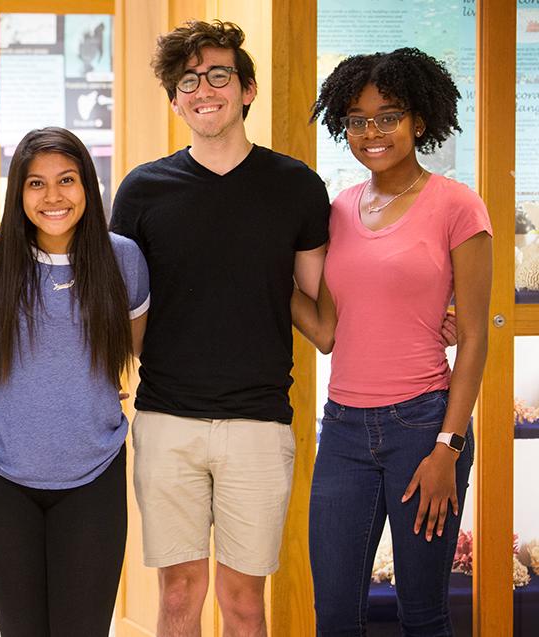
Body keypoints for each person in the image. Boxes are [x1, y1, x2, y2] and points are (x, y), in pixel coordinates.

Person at [109, 21, 331, 637]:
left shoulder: (297, 186)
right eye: (188, 81)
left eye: (218, 74)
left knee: (242, 601)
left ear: (247, 88)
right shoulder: (142, 189)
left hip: (259, 424)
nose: (203, 89)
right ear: (175, 100)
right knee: (178, 595)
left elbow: (320, 304)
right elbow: (115, 305)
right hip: (166, 419)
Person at [298, 47, 492, 635]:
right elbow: (327, 333)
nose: (372, 132)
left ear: (419, 121)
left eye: (388, 115)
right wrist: (263, 272)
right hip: (344, 432)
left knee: (423, 613)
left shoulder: (457, 205)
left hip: (424, 427)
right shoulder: (338, 210)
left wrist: (448, 448)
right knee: (334, 615)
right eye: (357, 119)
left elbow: (477, 335)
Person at [0, 127, 149, 636]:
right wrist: (8, 364)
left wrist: (79, 378)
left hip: (92, 470)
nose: (53, 196)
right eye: (36, 184)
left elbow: (130, 348)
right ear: (17, 192)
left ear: (88, 184)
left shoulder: (122, 258)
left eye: (66, 180)